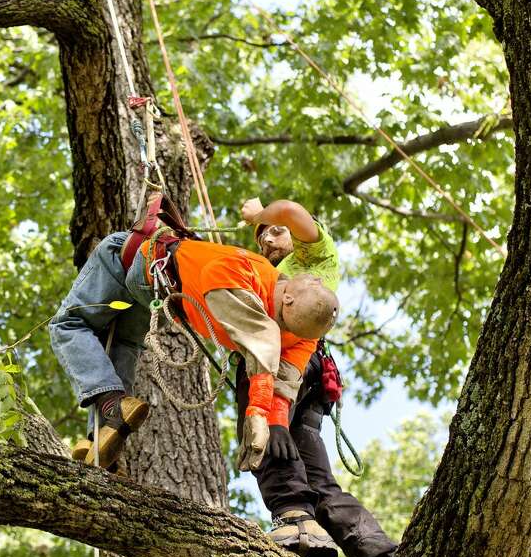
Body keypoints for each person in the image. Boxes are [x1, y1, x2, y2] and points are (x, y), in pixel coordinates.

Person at [48, 194, 339, 479]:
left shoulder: (249, 272)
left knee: (67, 325)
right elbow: (280, 380)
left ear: (289, 299)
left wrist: (264, 416)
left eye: (312, 281)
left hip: (139, 263)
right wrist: (268, 418)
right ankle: (103, 437)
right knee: (123, 344)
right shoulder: (300, 335)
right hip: (158, 291)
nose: (313, 277)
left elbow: (265, 348)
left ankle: (111, 405)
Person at [239, 197, 397, 557]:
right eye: (262, 238)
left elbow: (291, 213)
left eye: (276, 233)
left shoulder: (314, 259)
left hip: (286, 364)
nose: (269, 240)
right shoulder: (263, 274)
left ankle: (293, 515)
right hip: (312, 380)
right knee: (317, 476)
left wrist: (258, 216)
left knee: (263, 431)